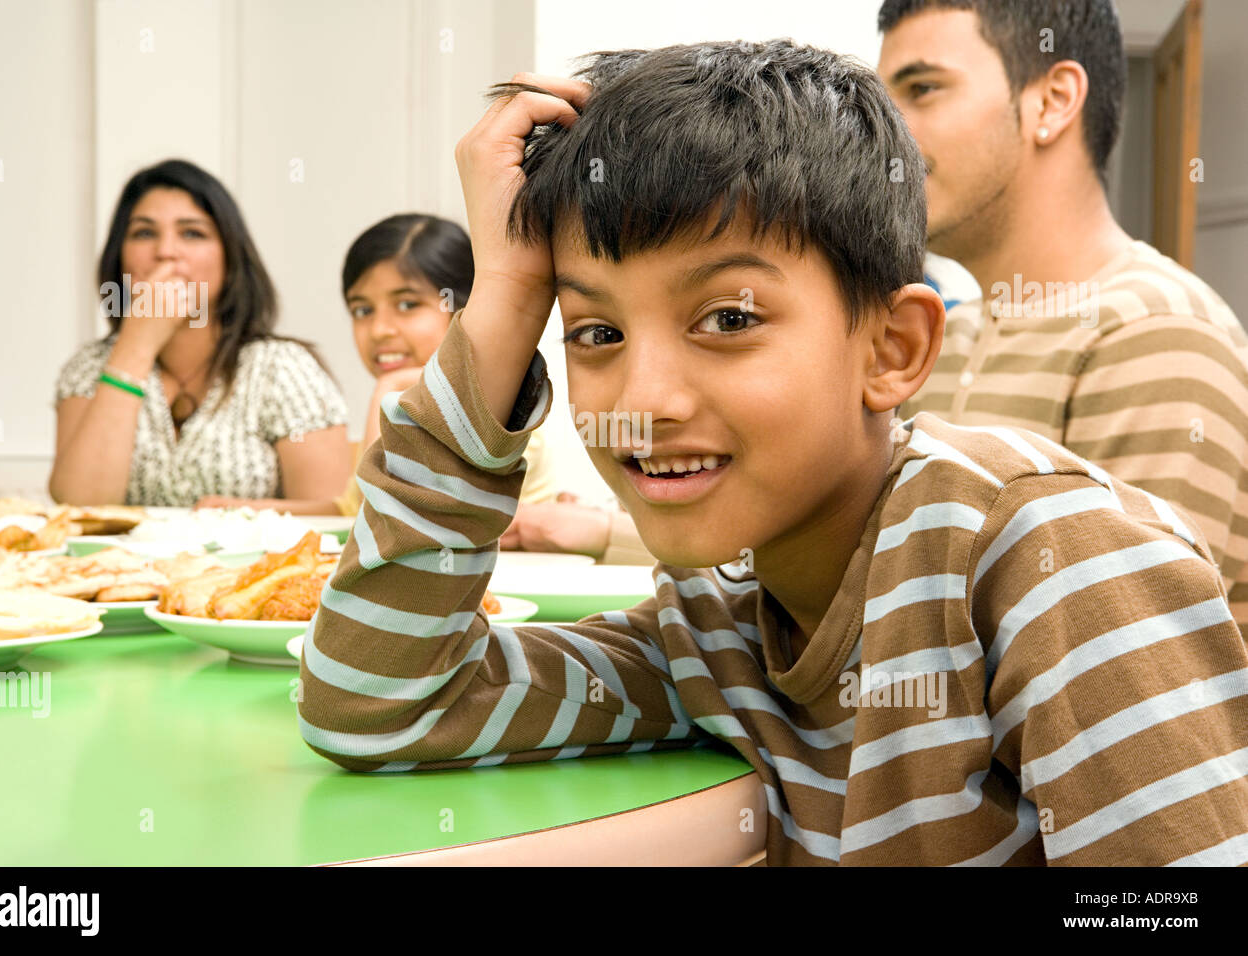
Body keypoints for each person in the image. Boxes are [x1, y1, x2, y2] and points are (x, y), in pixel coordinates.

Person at [298, 43, 1248, 866]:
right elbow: (379, 701)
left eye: (729, 318)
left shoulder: (1052, 568)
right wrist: (503, 295)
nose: (644, 402)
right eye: (593, 332)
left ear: (893, 350)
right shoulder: (711, 629)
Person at [876, 0, 1248, 632]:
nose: (887, 136)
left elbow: (1108, 668)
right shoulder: (950, 334)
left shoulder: (1159, 338)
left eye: (922, 89)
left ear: (1051, 102)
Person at [198, 214, 559, 515]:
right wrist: (242, 509)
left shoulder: (491, 414)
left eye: (407, 305)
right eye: (362, 310)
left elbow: (380, 517)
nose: (380, 330)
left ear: (463, 307)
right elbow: (349, 509)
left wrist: (387, 391)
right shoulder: (414, 406)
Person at [50, 159, 350, 507]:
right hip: (116, 564)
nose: (165, 252)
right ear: (120, 257)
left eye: (192, 233)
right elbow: (80, 509)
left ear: (230, 258)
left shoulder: (282, 369)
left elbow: (334, 523)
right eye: (144, 233)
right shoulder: (89, 368)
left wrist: (237, 514)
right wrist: (136, 344)